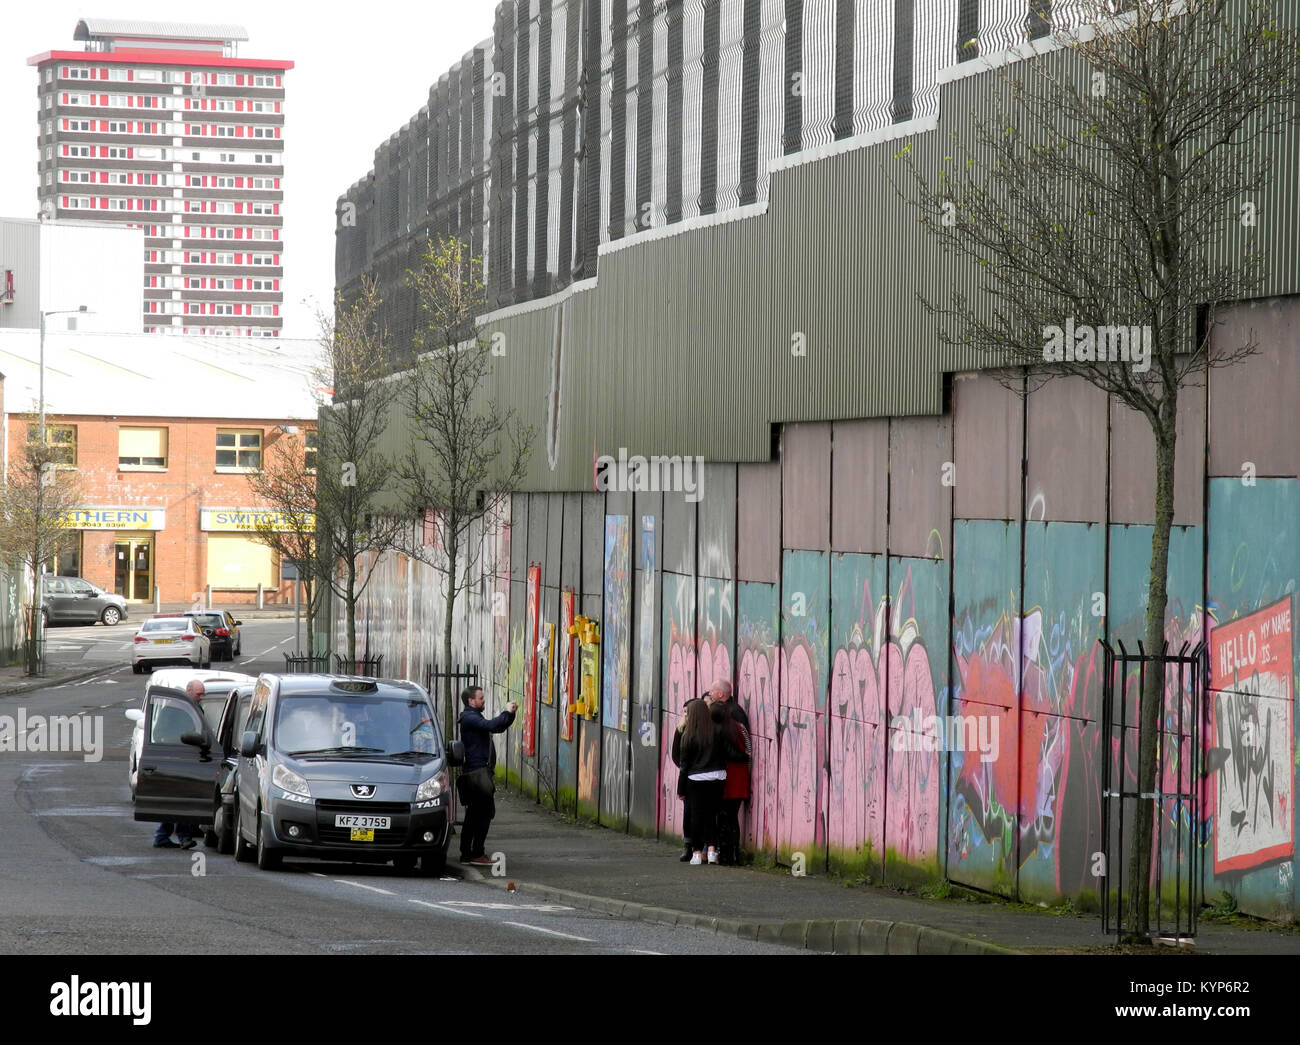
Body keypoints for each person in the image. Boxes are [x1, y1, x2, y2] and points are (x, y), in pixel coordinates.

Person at [671, 697, 743, 865]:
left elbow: (684, 765)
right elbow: (729, 753)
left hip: (695, 779)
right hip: (717, 777)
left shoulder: (688, 734)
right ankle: (711, 850)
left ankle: (696, 852)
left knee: (696, 816)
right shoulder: (717, 730)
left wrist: (681, 790)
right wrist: (745, 756)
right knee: (712, 814)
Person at [456, 686, 518, 865]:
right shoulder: (469, 718)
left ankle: (468, 854)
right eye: (481, 698)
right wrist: (506, 712)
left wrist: (510, 715)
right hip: (477, 773)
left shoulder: (473, 717)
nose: (484, 701)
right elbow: (491, 725)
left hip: (479, 772)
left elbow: (497, 728)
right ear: (471, 701)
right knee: (484, 813)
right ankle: (476, 853)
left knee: (474, 814)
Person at [152, 679, 207, 850]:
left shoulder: (194, 708)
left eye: (203, 693)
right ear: (189, 691)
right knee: (182, 800)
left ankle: (162, 836)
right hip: (175, 759)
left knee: (175, 800)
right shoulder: (173, 710)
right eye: (199, 694)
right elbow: (158, 732)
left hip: (187, 759)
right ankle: (182, 837)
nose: (202, 697)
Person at [712, 699, 751, 865]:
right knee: (733, 817)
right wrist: (745, 758)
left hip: (725, 777)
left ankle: (725, 854)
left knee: (723, 817)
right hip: (740, 778)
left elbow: (726, 753)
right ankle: (735, 854)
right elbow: (748, 749)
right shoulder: (739, 727)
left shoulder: (716, 730)